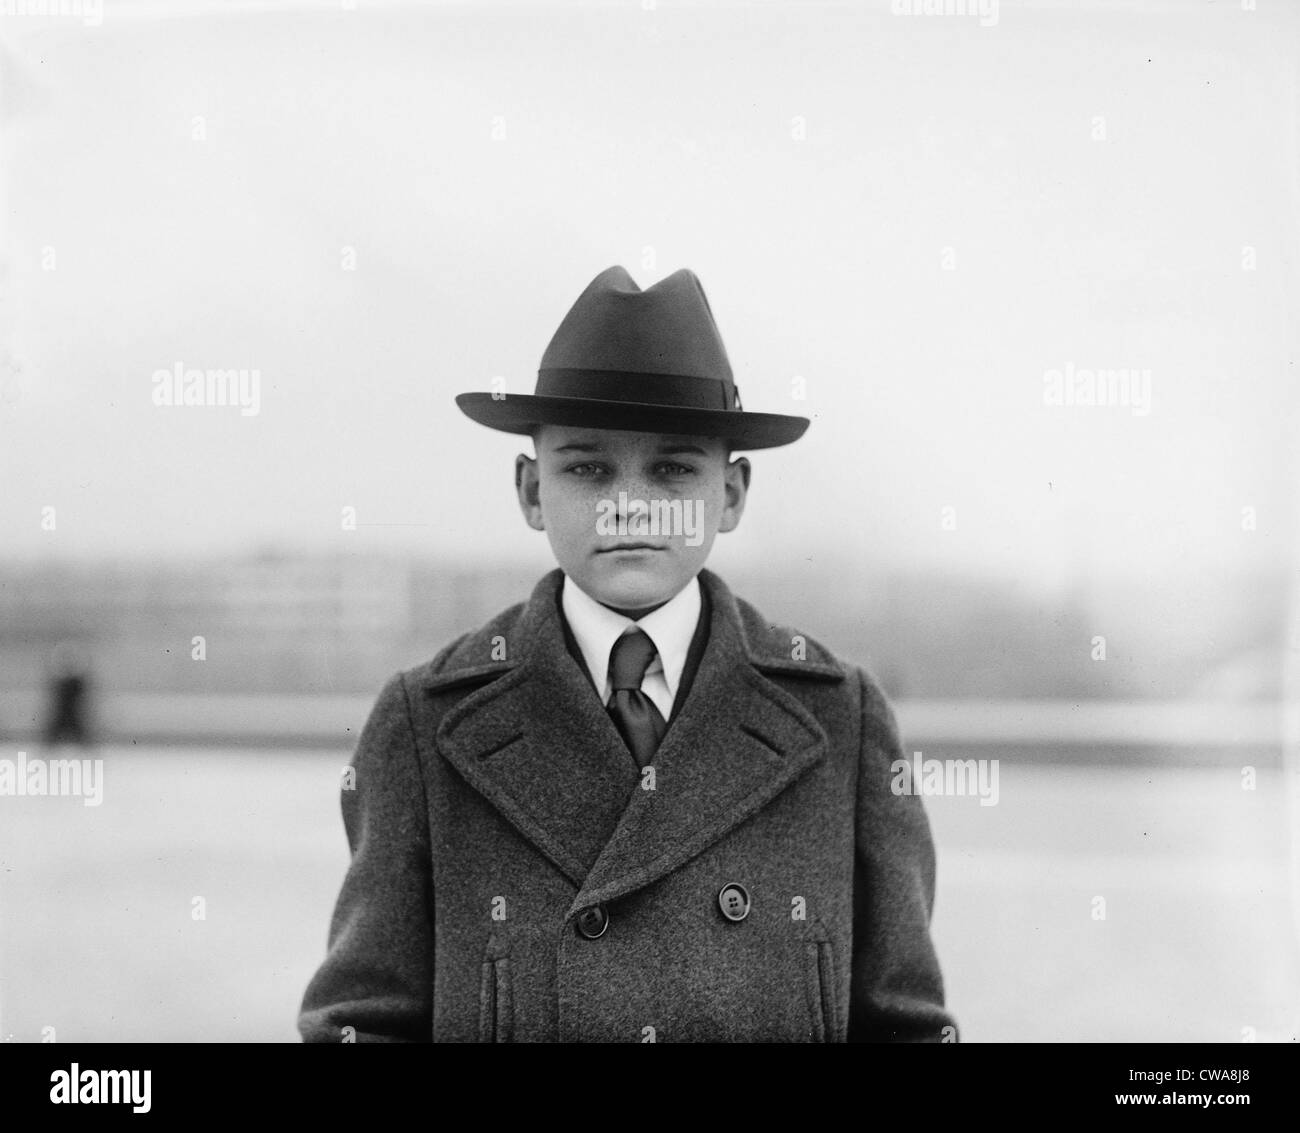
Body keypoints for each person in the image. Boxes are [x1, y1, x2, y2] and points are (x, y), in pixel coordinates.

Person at [299, 265, 956, 1042]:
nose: (631, 504)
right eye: (587, 468)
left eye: (673, 469)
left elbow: (906, 1025)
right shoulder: (425, 723)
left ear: (733, 493)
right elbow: (361, 1023)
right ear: (531, 490)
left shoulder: (838, 718)